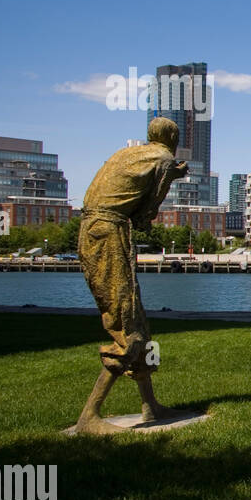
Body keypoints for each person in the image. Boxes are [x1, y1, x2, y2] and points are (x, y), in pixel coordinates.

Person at [73, 117, 191, 434]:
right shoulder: (164, 159)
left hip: (93, 231)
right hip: (109, 234)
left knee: (137, 319)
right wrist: (170, 178)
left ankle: (150, 405)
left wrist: (173, 175)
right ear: (172, 137)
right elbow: (146, 212)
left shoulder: (127, 153)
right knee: (126, 322)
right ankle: (89, 416)